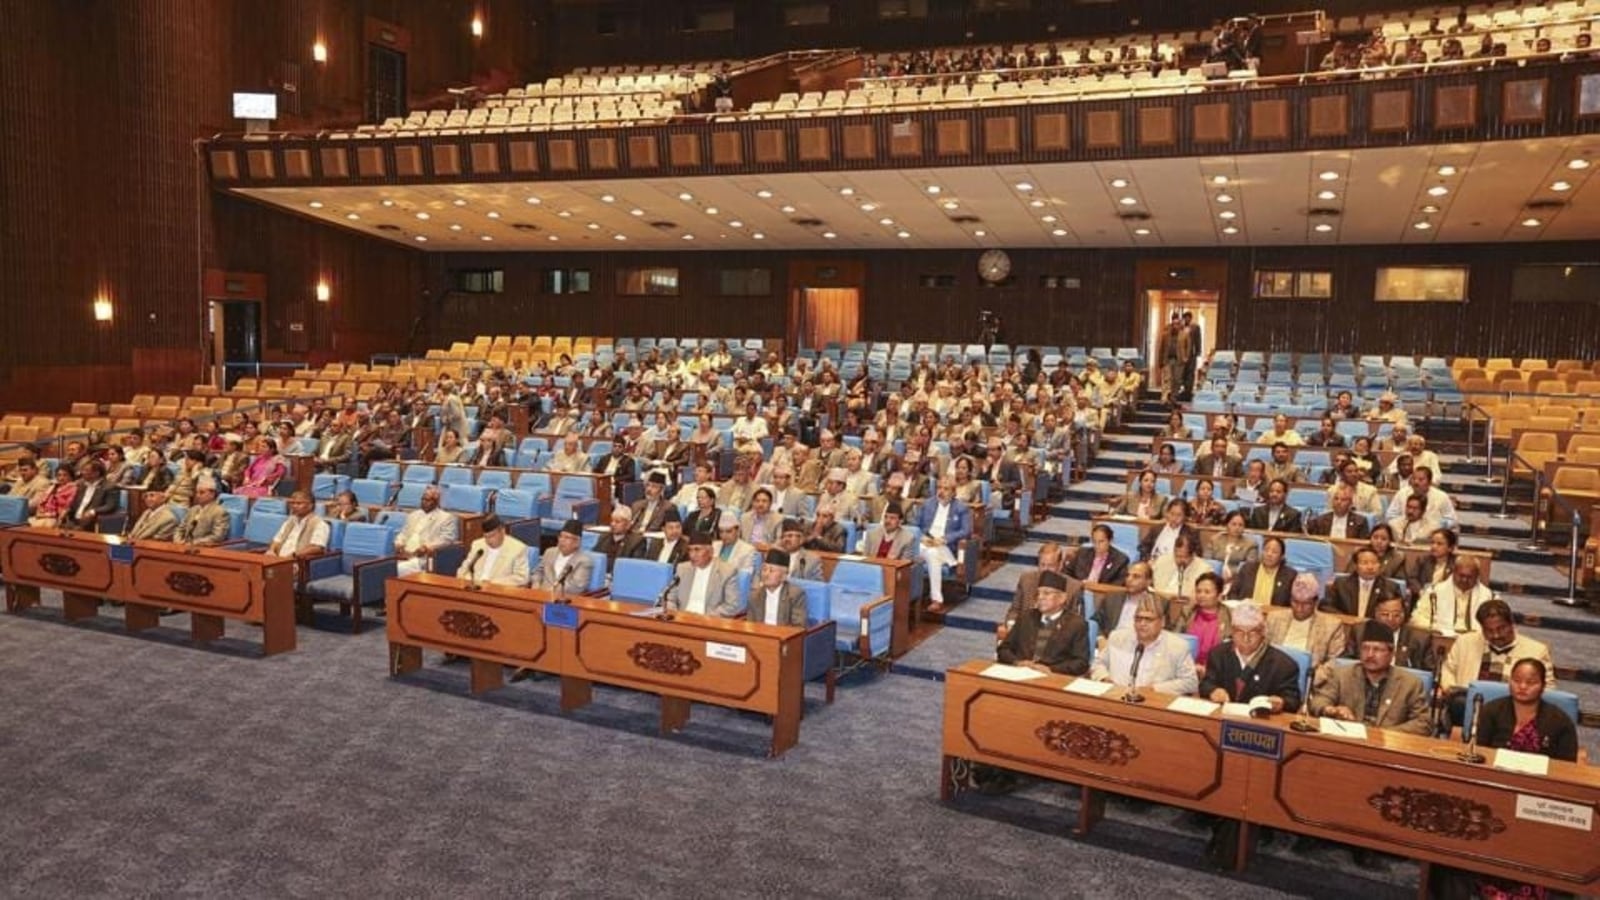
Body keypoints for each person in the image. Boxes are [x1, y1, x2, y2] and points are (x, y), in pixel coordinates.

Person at [1308, 620, 1431, 735]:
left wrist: (1384, 734)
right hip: (1348, 740)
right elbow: (1318, 701)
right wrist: (1331, 710)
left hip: (1388, 746)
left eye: (1377, 649)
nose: (1370, 655)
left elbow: (1423, 723)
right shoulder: (1342, 675)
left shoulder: (1410, 683)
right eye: (1365, 648)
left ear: (1391, 654)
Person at [1201, 602, 1302, 712]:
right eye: (1239, 632)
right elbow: (1206, 684)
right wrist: (1213, 691)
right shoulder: (1218, 654)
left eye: (1252, 632)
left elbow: (1293, 700)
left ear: (1263, 632)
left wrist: (1282, 703)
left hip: (1262, 723)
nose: (1246, 638)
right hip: (1223, 716)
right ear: (1232, 631)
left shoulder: (1284, 665)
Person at [1089, 594, 1199, 695]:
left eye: (1148, 619)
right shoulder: (1117, 638)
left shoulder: (1177, 647)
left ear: (1163, 622)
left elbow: (1190, 682)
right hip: (1115, 697)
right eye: (1138, 619)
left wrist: (1154, 689)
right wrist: (1105, 678)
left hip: (1153, 703)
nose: (1142, 624)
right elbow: (1098, 664)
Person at [996, 571, 1091, 675]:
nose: (1040, 597)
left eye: (1046, 593)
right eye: (1038, 593)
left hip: (1052, 679)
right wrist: (1017, 662)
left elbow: (1081, 663)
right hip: (1020, 674)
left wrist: (1051, 670)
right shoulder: (1026, 617)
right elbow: (1004, 649)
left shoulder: (1076, 624)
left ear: (1062, 598)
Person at [1267, 573, 1348, 676]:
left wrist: (1311, 679)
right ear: (1290, 600)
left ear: (1315, 603)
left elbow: (1335, 661)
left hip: (1309, 677)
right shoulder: (1274, 618)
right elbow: (1262, 650)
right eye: (1295, 602)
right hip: (1274, 674)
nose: (1299, 608)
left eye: (1306, 604)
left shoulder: (1332, 625)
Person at [1000, 543, 1081, 640]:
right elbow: (1014, 610)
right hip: (1024, 635)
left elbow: (1073, 621)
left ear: (1060, 565)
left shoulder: (1073, 587)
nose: (1045, 570)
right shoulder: (1026, 580)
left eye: (1050, 566)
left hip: (1055, 639)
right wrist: (1011, 625)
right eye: (1042, 565)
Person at [914, 477, 972, 612]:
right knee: (921, 551)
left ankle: (936, 599)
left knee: (933, 553)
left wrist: (945, 539)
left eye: (946, 489)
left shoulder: (961, 508)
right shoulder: (927, 504)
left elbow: (966, 531)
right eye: (939, 488)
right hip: (926, 544)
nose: (941, 492)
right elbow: (915, 525)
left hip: (947, 548)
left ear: (953, 492)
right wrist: (922, 537)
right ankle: (919, 595)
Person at [1411, 557, 1493, 635]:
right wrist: (1435, 628)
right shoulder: (1434, 592)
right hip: (1441, 639)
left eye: (1469, 577)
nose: (1464, 580)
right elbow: (1416, 618)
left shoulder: (1489, 597)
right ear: (1453, 573)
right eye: (1461, 576)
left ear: (1477, 576)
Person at [670, 531, 743, 617]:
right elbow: (670, 598)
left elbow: (732, 606)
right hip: (682, 618)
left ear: (711, 551)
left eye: (697, 550)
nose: (692, 555)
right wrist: (675, 614)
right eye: (690, 550)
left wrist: (704, 618)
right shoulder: (682, 569)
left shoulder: (726, 572)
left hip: (709, 621)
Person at [1172, 571, 1232, 675]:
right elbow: (1174, 641)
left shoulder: (1229, 616)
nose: (1201, 595)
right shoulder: (1187, 612)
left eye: (1207, 592)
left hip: (1217, 672)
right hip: (1185, 668)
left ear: (1219, 595)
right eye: (1198, 591)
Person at [393, 485, 459, 577]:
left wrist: (427, 547)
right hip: (404, 554)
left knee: (395, 569)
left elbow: (447, 539)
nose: (424, 502)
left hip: (423, 558)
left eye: (427, 500)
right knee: (382, 566)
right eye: (422, 499)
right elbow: (403, 534)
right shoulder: (413, 515)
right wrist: (398, 543)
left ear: (436, 502)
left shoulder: (446, 518)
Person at [454, 514, 529, 587]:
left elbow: (521, 577)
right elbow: (463, 570)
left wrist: (492, 583)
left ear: (502, 531)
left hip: (498, 591)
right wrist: (473, 581)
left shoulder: (518, 548)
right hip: (475, 588)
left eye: (492, 536)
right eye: (486, 537)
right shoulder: (477, 545)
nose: (488, 541)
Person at [1364, 595, 1435, 670]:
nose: (1390, 619)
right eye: (1385, 614)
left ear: (1404, 614)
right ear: (1376, 614)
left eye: (1396, 615)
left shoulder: (1420, 639)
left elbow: (1428, 674)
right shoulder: (1360, 633)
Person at [1327, 547, 1402, 617]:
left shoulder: (1391, 588)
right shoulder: (1341, 584)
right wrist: (1346, 619)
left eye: (1374, 562)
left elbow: (1400, 613)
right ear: (1356, 566)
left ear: (1379, 565)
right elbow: (1326, 606)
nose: (1370, 567)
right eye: (1365, 563)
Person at [1226, 536, 1298, 607]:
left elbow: (1292, 602)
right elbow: (1233, 593)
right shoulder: (1247, 568)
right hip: (1246, 613)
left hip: (1274, 615)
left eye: (1274, 552)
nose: (1269, 554)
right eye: (1266, 550)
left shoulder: (1290, 575)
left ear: (1282, 556)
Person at [748, 548, 807, 626]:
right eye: (764, 569)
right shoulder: (754, 595)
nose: (766, 574)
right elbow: (750, 624)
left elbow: (798, 626)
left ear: (784, 576)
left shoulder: (795, 595)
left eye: (771, 571)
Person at [531, 520, 594, 592]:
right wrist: (536, 584)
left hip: (564, 599)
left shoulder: (584, 561)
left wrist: (551, 592)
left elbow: (576, 586)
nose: (561, 540)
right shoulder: (550, 552)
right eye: (560, 536)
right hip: (540, 594)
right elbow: (538, 571)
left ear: (577, 542)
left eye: (567, 538)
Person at [267, 490, 330, 559]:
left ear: (310, 505)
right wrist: (271, 550)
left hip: (298, 562)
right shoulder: (289, 521)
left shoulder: (319, 524)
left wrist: (294, 555)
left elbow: (317, 547)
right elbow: (276, 540)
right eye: (292, 503)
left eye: (299, 503)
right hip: (278, 560)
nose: (294, 506)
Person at [60, 460, 119, 532]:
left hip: (90, 523)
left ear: (96, 473)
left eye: (86, 470)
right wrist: (67, 509)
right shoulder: (82, 485)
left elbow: (110, 506)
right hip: (74, 521)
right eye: (83, 470)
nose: (83, 473)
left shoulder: (109, 487)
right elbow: (74, 503)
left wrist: (93, 511)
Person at [1405, 527, 1460, 602]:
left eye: (1439, 544)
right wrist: (1420, 591)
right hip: (1422, 599)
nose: (1434, 546)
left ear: (1450, 548)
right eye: (1432, 542)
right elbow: (1411, 578)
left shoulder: (1456, 564)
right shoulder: (1423, 560)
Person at [1150, 534, 1210, 598]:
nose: (1180, 560)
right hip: (1158, 599)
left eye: (1184, 557)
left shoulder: (1204, 569)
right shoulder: (1162, 560)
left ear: (1193, 555)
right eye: (1177, 556)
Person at [1204, 510, 1258, 580]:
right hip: (1213, 577)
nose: (1237, 528)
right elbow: (1207, 561)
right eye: (1233, 524)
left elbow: (1249, 568)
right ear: (1227, 525)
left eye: (1240, 525)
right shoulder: (1215, 540)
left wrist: (1231, 574)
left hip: (1237, 579)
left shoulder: (1250, 544)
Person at [174, 478, 231, 546]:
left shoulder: (220, 512)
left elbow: (218, 536)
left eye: (201, 492)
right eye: (197, 492)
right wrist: (177, 540)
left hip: (203, 548)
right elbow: (180, 528)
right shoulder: (193, 509)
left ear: (212, 494)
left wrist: (194, 543)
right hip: (184, 546)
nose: (197, 495)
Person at [592, 505, 646, 570]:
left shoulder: (637, 541)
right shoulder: (604, 537)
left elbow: (635, 567)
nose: (613, 524)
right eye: (612, 521)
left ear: (628, 525)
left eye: (617, 522)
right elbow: (594, 558)